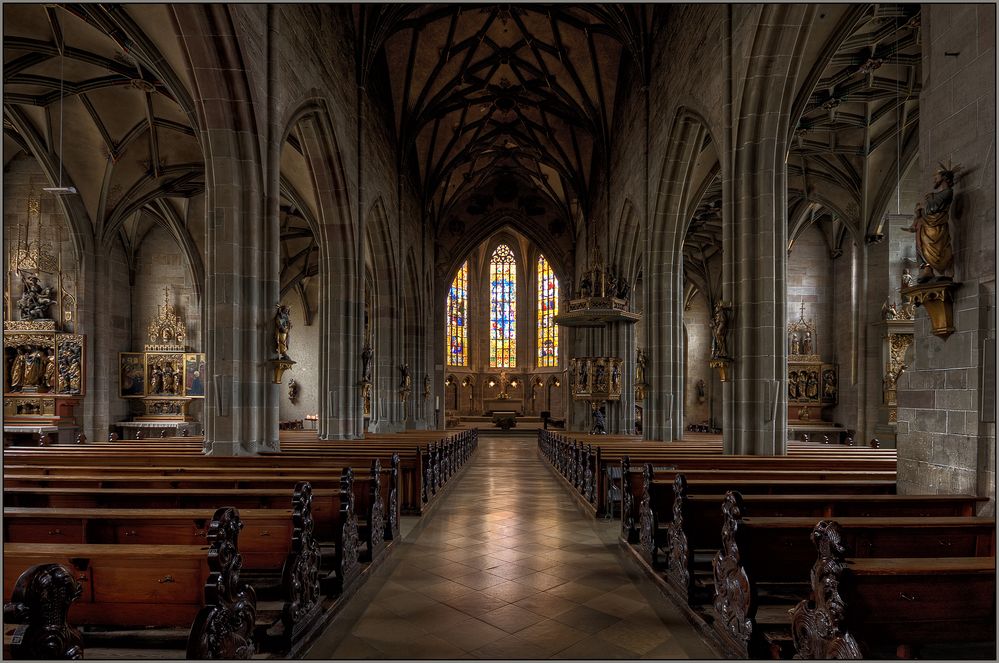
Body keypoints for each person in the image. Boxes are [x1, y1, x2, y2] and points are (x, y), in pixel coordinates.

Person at [902, 165, 958, 282]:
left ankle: (939, 267)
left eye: (936, 177)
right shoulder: (936, 195)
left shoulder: (947, 192)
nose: (934, 179)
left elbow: (933, 208)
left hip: (936, 226)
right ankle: (927, 269)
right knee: (920, 245)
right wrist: (918, 213)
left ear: (943, 177)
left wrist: (923, 206)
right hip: (927, 224)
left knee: (934, 248)